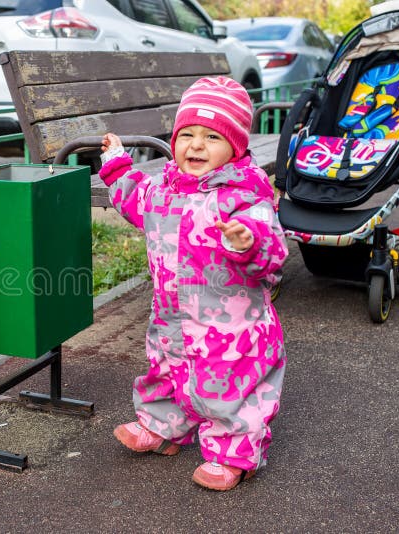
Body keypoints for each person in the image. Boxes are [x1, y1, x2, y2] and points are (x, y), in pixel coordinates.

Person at [98, 76, 289, 491]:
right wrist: (117, 165)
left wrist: (247, 240)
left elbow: (273, 253)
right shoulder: (164, 188)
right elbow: (135, 199)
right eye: (186, 134)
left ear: (235, 147)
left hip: (230, 326)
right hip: (172, 314)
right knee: (167, 370)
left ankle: (231, 455)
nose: (196, 146)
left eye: (211, 137)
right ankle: (163, 428)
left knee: (228, 386)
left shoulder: (244, 197)